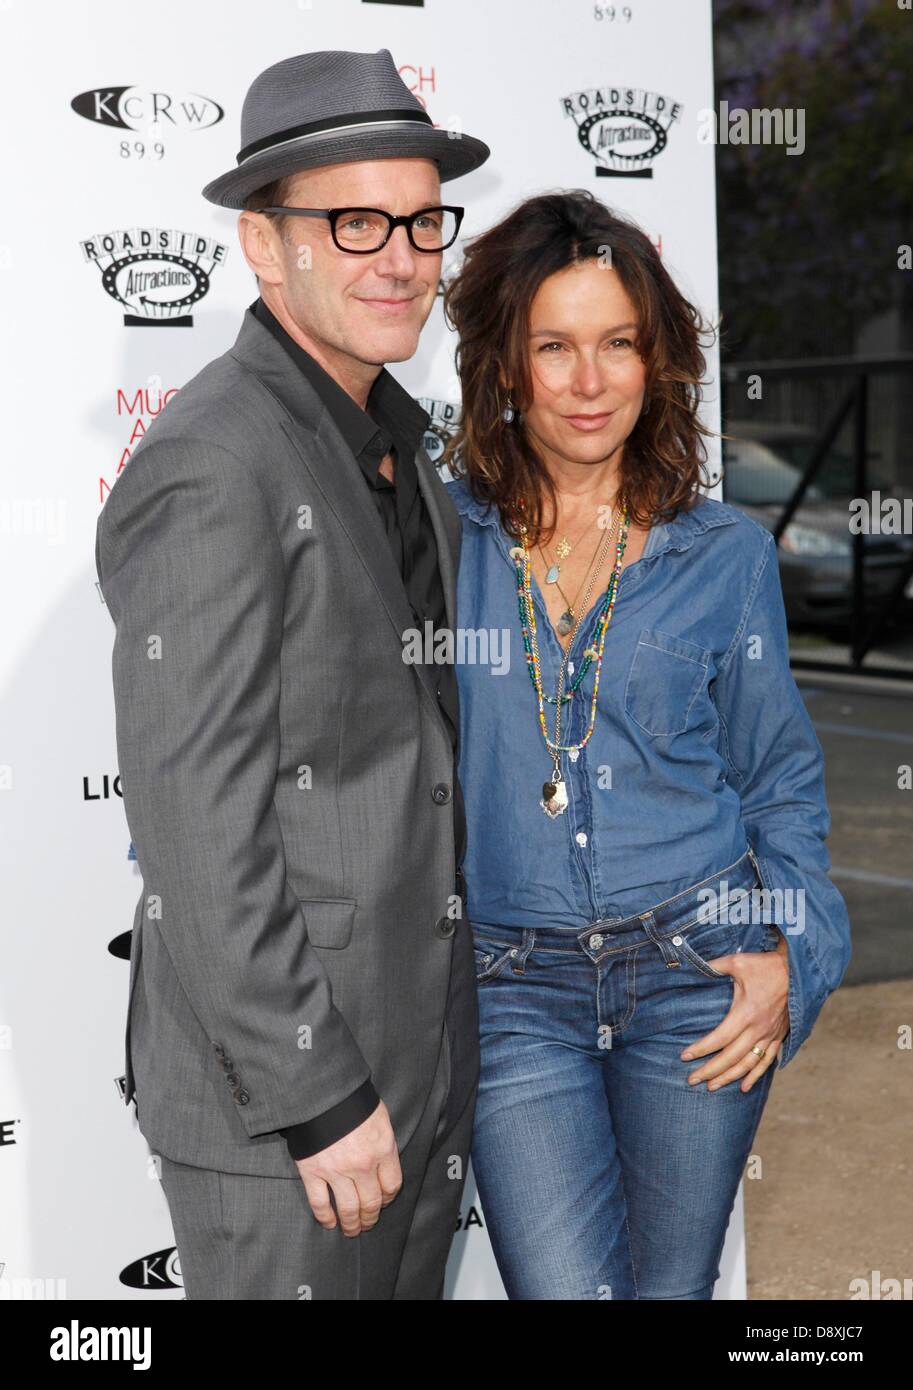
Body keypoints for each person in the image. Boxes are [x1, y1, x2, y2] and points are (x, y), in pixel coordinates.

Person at [95, 48, 490, 1300]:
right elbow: (196, 827)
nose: (400, 255)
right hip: (293, 1108)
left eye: (423, 220)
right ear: (266, 248)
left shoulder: (397, 442)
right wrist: (320, 1094)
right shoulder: (217, 461)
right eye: (355, 220)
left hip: (418, 1067)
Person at [440, 190, 853, 1300]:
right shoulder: (438, 544)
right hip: (512, 986)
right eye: (555, 347)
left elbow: (777, 778)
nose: (589, 382)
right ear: (503, 366)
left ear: (655, 357)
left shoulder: (724, 554)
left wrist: (786, 961)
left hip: (698, 971)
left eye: (617, 344)